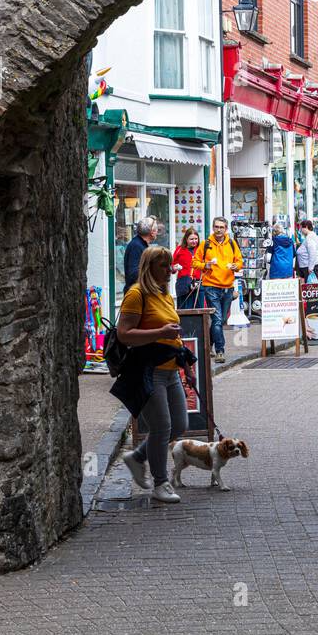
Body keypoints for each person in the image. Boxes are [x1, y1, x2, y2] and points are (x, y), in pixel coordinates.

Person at [115, 245, 186, 504]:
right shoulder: (136, 294)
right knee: (161, 427)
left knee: (180, 424)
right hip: (148, 371)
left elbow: (173, 332)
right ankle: (160, 483)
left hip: (170, 369)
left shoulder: (164, 293)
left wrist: (184, 362)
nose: (170, 270)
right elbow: (124, 334)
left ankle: (137, 457)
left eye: (170, 265)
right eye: (163, 266)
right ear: (149, 268)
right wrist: (159, 333)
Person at [192, 216, 243, 363]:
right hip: (211, 286)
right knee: (217, 319)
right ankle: (220, 351)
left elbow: (239, 260)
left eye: (221, 227)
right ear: (213, 228)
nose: (218, 230)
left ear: (226, 229)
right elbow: (194, 262)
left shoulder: (232, 243)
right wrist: (205, 265)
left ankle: (208, 345)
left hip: (227, 287)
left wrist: (236, 266)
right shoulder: (205, 244)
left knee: (220, 321)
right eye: (216, 227)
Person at [123, 216, 157, 293]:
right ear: (151, 232)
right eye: (156, 229)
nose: (157, 232)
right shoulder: (136, 246)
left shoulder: (141, 244)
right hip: (136, 294)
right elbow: (134, 274)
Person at [172, 227, 202, 309]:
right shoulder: (179, 249)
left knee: (199, 309)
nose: (194, 241)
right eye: (191, 239)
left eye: (196, 239)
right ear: (186, 239)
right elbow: (172, 265)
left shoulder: (201, 250)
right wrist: (174, 268)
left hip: (198, 283)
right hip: (183, 283)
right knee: (184, 309)